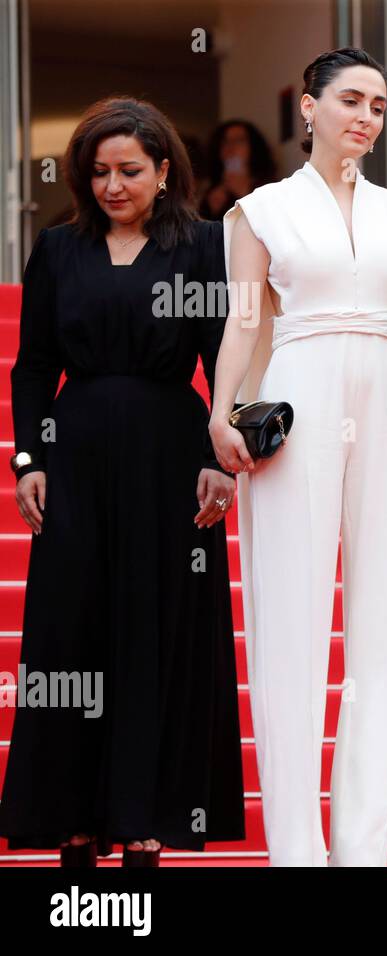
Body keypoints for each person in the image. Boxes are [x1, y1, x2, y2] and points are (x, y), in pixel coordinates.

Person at [207, 47, 387, 866]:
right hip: (299, 393)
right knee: (290, 620)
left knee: (384, 623)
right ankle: (298, 852)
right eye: (351, 99)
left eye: (378, 105)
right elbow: (243, 321)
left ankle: (364, 843)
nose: (366, 117)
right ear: (308, 108)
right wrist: (220, 412)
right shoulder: (259, 212)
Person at [0, 97, 244, 866]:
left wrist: (222, 456)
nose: (113, 186)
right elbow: (35, 366)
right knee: (72, 638)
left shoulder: (205, 246)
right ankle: (72, 821)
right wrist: (29, 460)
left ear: (165, 170)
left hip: (174, 458)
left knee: (158, 632)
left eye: (130, 171)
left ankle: (146, 821)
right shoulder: (59, 249)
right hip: (75, 458)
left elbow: (225, 357)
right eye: (99, 172)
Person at [198, 119, 277, 220]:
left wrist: (242, 193)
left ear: (253, 147)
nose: (230, 147)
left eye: (239, 140)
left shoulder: (269, 187)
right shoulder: (211, 190)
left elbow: (272, 224)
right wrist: (211, 210)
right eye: (225, 142)